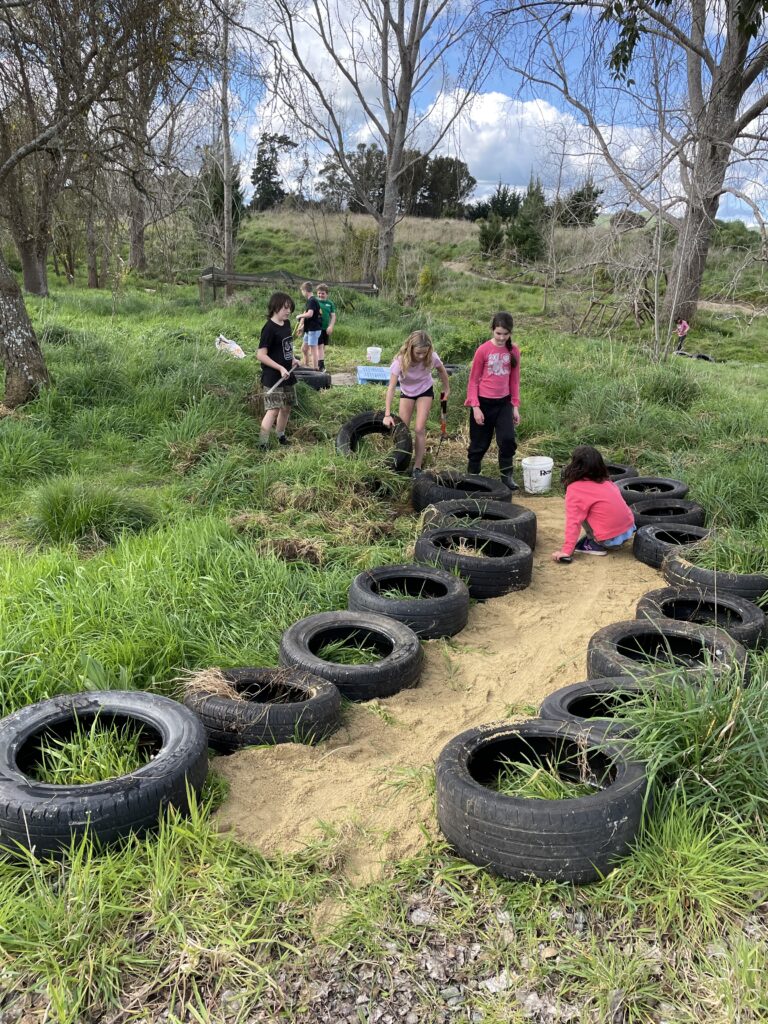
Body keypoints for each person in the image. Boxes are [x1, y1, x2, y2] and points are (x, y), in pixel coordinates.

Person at [464, 311, 521, 491]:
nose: (502, 337)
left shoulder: (514, 351)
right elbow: (473, 380)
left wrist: (515, 406)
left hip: (504, 403)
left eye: (506, 334)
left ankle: (506, 477)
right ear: (492, 330)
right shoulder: (483, 350)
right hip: (483, 402)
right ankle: (473, 476)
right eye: (498, 333)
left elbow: (514, 380)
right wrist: (475, 407)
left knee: (507, 439)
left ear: (510, 333)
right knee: (479, 443)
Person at [383, 330, 450, 476]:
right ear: (410, 348)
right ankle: (401, 461)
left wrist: (446, 389)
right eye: (418, 353)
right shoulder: (399, 361)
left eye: (424, 353)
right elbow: (391, 389)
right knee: (403, 430)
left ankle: (417, 466)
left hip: (424, 391)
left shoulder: (431, 357)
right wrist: (387, 414)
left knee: (419, 428)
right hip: (406, 393)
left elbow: (442, 371)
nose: (421, 356)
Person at [551, 446, 636, 561]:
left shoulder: (575, 488)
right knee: (603, 506)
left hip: (609, 540)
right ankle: (607, 537)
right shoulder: (607, 481)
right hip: (628, 531)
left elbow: (574, 521)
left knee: (580, 511)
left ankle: (594, 544)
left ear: (575, 465)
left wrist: (567, 550)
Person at [257, 291, 300, 449]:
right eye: (285, 308)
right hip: (273, 376)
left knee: (286, 407)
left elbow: (286, 347)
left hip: (288, 374)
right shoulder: (268, 328)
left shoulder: (287, 324)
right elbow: (261, 355)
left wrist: (293, 358)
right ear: (275, 308)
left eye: (290, 308)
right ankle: (262, 444)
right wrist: (280, 367)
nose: (289, 311)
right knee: (273, 410)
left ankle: (281, 436)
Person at [296, 281, 322, 370]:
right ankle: (306, 364)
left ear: (305, 290)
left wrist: (299, 316)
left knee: (313, 349)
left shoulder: (312, 300)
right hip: (309, 329)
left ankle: (315, 368)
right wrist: (302, 327)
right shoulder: (310, 301)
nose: (302, 293)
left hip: (314, 330)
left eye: (302, 291)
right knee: (304, 348)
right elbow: (312, 317)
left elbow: (310, 314)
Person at [316, 283, 336, 372]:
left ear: (327, 294)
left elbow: (333, 316)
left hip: (325, 328)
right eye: (319, 293)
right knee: (319, 346)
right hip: (316, 328)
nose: (320, 295)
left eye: (322, 293)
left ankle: (319, 361)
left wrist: (331, 326)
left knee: (322, 347)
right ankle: (320, 365)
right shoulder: (315, 302)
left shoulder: (330, 303)